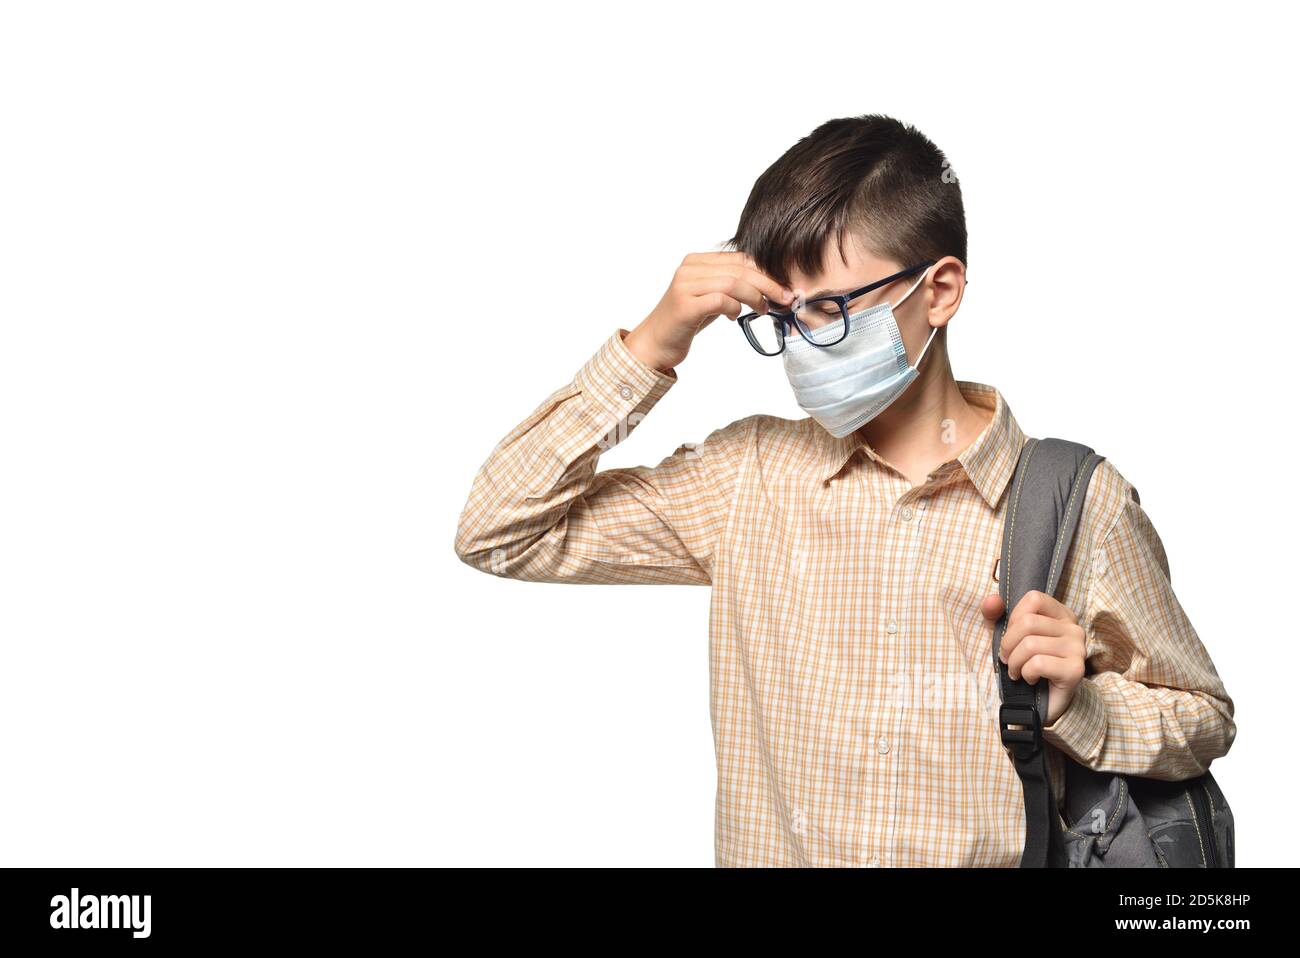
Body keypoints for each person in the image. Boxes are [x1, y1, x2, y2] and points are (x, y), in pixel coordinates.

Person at [453, 114, 1235, 867]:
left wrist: (1080, 706)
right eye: (783, 318)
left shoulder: (1077, 503)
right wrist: (655, 342)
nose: (801, 343)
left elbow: (1204, 718)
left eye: (828, 310)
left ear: (940, 291)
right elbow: (500, 529)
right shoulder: (746, 476)